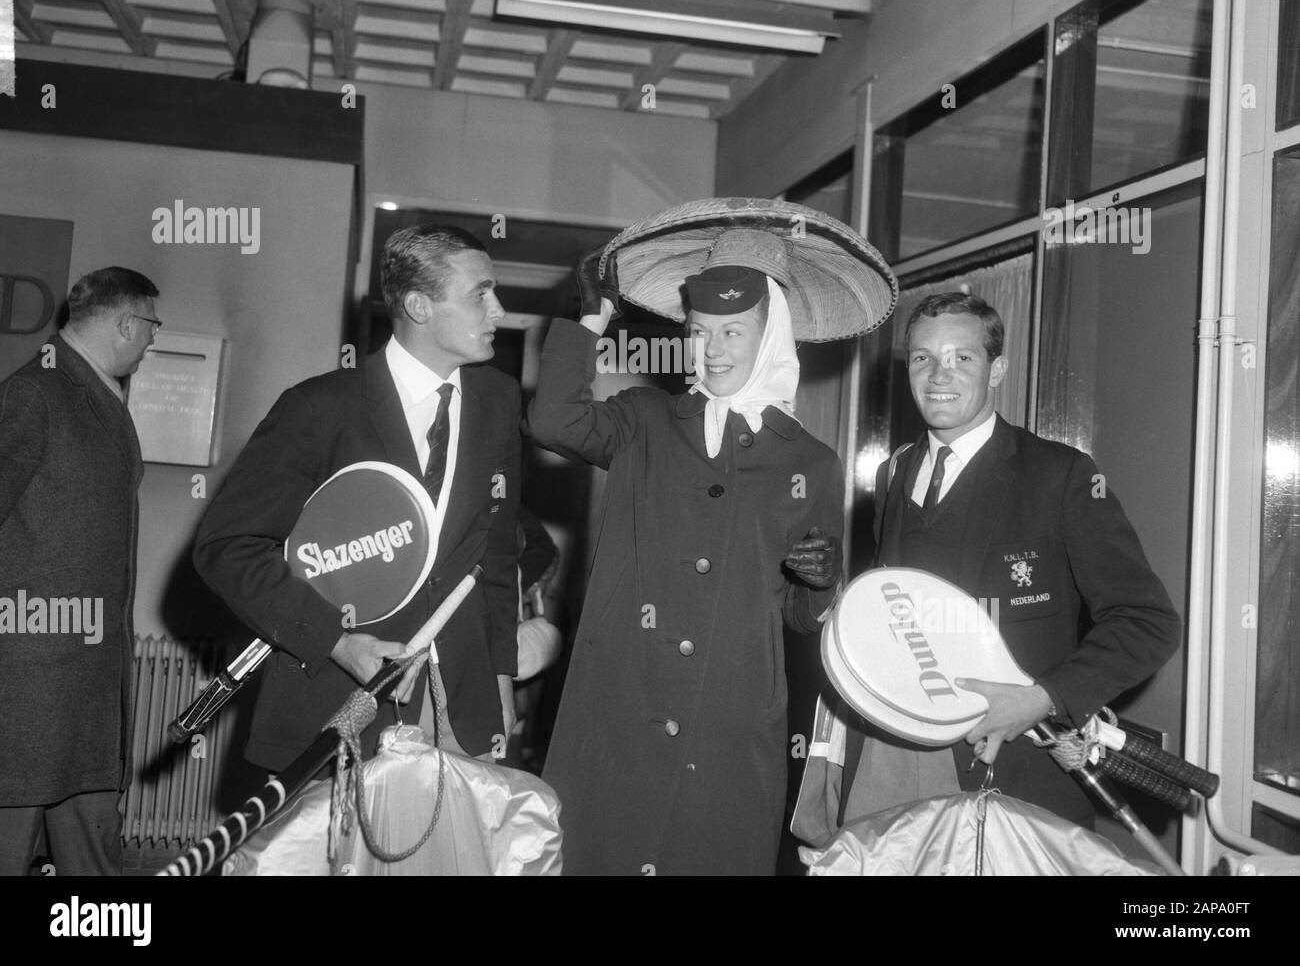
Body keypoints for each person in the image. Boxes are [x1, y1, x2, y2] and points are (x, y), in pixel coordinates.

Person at [528, 236, 845, 875]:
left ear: (771, 336)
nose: (715, 350)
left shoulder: (810, 462)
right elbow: (552, 421)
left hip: (729, 724)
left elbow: (803, 619)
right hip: (622, 704)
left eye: (735, 332)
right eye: (702, 332)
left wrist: (820, 583)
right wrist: (591, 320)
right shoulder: (645, 419)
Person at [840, 292, 1181, 826]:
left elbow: (1147, 623)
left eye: (963, 358)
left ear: (997, 369)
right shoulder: (892, 475)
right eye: (924, 358)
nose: (938, 374)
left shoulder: (1061, 476)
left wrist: (1043, 698)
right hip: (894, 765)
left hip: (1014, 779)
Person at [193, 226, 520, 772]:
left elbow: (498, 554)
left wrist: (501, 680)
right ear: (418, 306)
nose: (499, 310)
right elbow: (228, 547)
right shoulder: (319, 408)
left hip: (461, 708)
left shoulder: (499, 401)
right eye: (479, 293)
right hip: (336, 703)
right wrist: (338, 643)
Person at [0, 266, 160, 875]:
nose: (151, 341)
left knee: (94, 856)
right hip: (28, 684)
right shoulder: (35, 392)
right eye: (151, 326)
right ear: (126, 323)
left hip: (85, 682)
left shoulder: (90, 391)